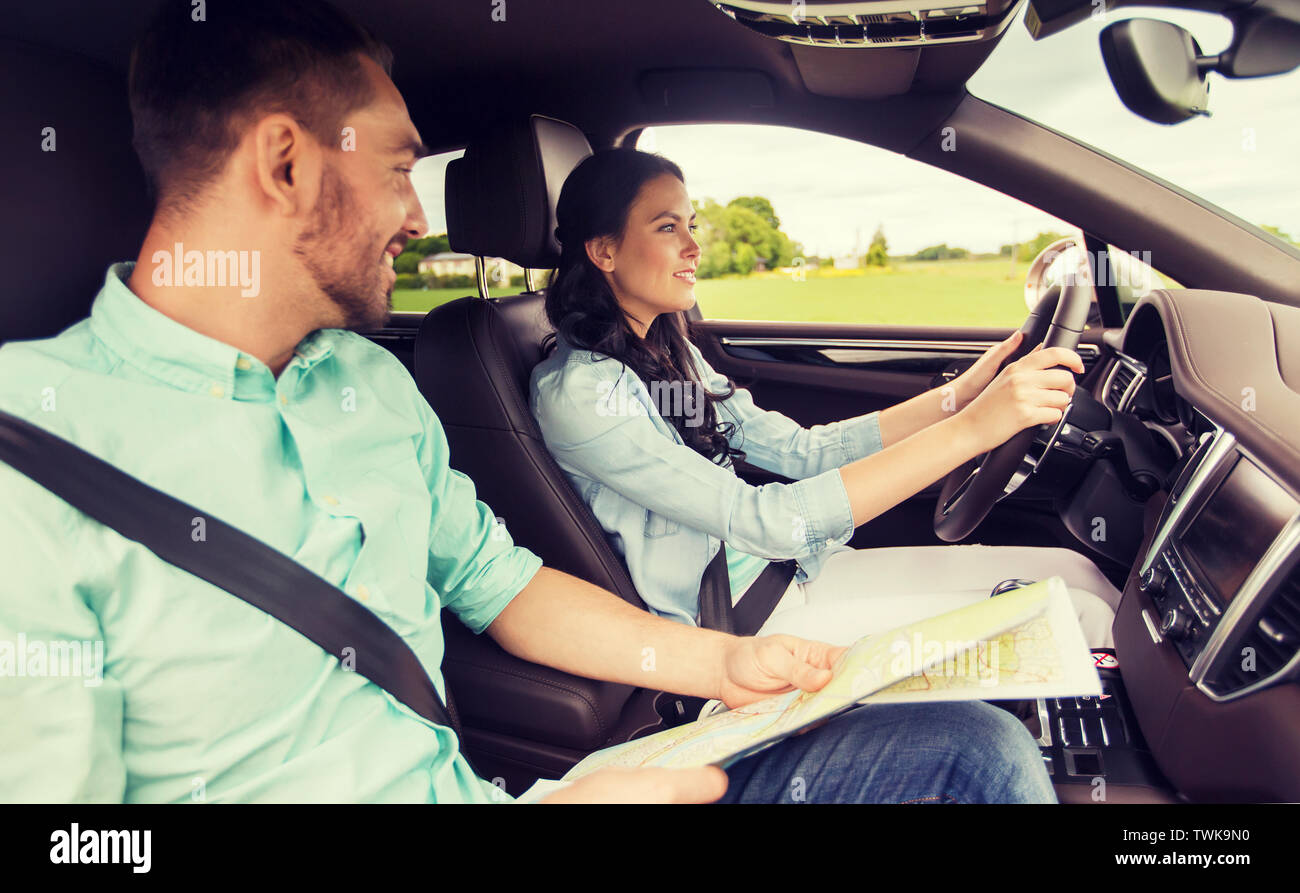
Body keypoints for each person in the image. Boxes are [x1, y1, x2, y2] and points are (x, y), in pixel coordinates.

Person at [0, 0, 1055, 805]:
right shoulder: (31, 457)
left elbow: (500, 581)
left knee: (976, 750)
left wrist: (719, 659)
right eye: (405, 166)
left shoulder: (365, 383)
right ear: (285, 162)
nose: (421, 216)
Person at [529, 148, 1120, 661]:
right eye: (667, 228)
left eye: (691, 224)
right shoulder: (583, 394)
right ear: (604, 251)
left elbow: (798, 450)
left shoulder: (662, 351)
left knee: (1078, 576)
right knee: (1079, 617)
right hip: (750, 625)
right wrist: (972, 430)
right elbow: (767, 522)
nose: (694, 246)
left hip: (805, 572)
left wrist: (957, 398)